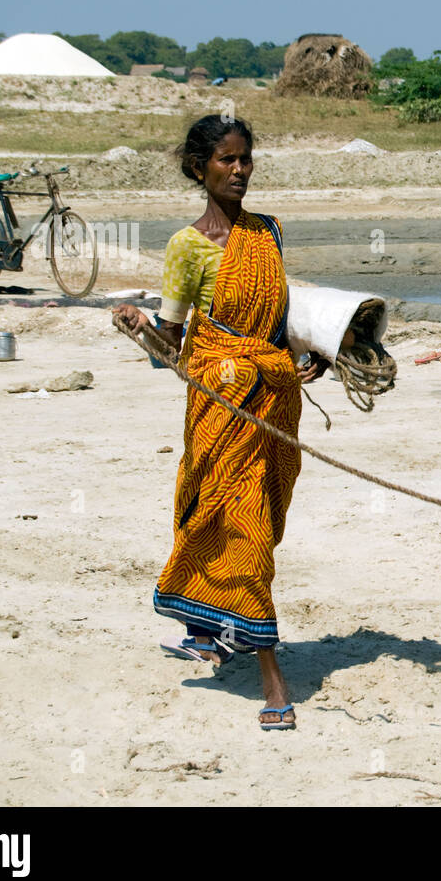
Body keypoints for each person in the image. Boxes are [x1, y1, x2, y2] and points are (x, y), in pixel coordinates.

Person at [113, 115, 328, 730]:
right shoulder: (187, 246)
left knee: (251, 516)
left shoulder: (270, 233)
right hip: (219, 405)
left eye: (245, 160)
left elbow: (276, 321)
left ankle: (204, 633)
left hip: (273, 401)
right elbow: (174, 348)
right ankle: (272, 679)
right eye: (225, 161)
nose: (238, 171)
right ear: (199, 167)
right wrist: (138, 329)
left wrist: (300, 358)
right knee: (241, 529)